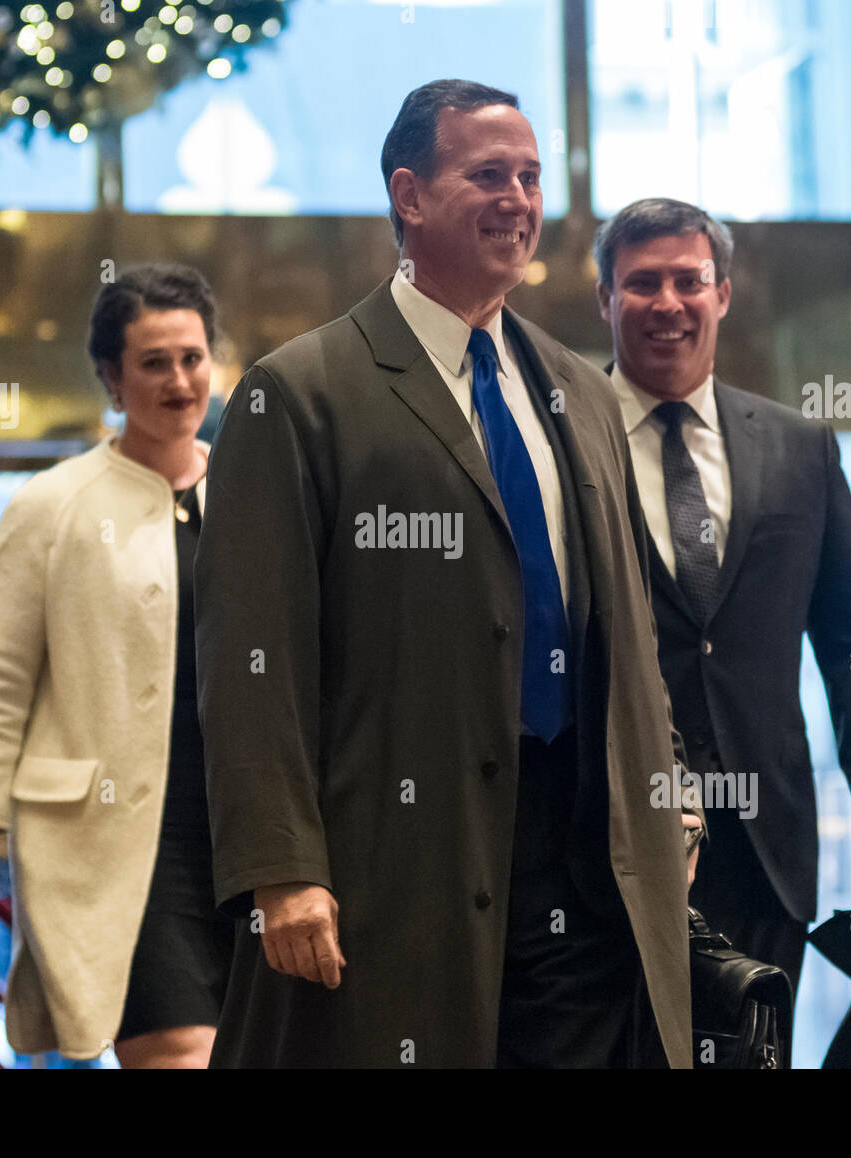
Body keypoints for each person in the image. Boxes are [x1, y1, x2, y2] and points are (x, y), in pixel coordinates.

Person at [194, 80, 700, 1069]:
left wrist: (669, 785)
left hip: (590, 861)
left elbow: (625, 624)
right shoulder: (299, 395)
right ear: (409, 196)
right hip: (398, 856)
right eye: (487, 175)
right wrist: (281, 869)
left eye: (530, 177)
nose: (518, 199)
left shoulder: (580, 394)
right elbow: (251, 656)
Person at [593, 197, 851, 1006]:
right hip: (606, 851)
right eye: (643, 284)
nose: (668, 304)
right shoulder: (564, 440)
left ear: (724, 294)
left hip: (766, 858)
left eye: (690, 280)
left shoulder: (800, 447)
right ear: (605, 299)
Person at [0, 264, 234, 1067]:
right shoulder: (52, 507)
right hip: (118, 847)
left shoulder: (256, 498)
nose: (178, 381)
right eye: (154, 362)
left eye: (193, 358)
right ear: (110, 375)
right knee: (178, 1054)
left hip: (245, 840)